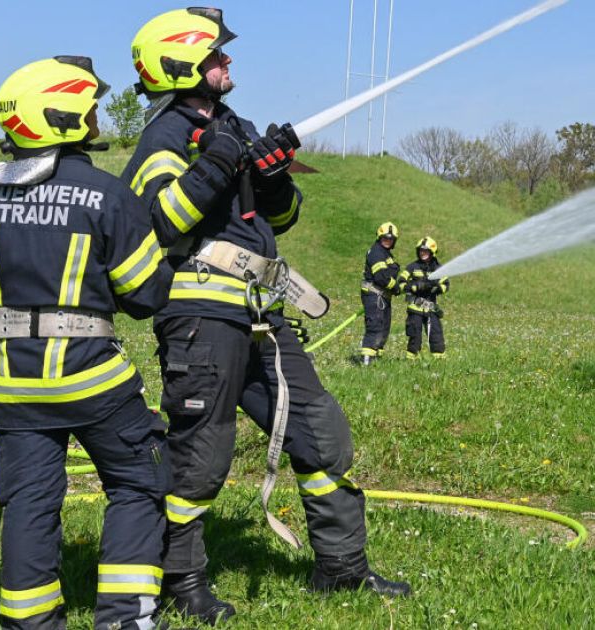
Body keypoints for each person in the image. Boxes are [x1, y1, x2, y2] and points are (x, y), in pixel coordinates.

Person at [121, 8, 410, 625]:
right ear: (181, 65)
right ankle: (183, 582)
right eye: (216, 56)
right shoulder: (163, 137)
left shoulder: (234, 124)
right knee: (201, 455)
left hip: (261, 314)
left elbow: (277, 221)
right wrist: (219, 161)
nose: (229, 62)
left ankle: (341, 569)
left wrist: (274, 180)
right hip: (200, 316)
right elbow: (160, 223)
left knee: (321, 431)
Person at [0, 57, 174, 630]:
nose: (93, 116)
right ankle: (124, 617)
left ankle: (30, 622)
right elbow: (145, 294)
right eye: (86, 107)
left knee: (30, 501)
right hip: (95, 383)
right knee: (139, 479)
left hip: (16, 388)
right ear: (62, 115)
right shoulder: (106, 194)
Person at [359, 222, 402, 365]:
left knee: (384, 327)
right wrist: (396, 287)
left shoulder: (386, 254)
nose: (387, 241)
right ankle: (366, 361)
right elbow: (381, 277)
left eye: (390, 239)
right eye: (385, 238)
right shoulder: (377, 252)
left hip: (383, 297)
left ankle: (377, 359)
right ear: (379, 237)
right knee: (375, 326)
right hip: (374, 295)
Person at [401, 237, 449, 359]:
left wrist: (437, 288)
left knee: (436, 335)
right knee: (415, 336)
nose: (423, 253)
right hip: (415, 307)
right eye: (421, 250)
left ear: (432, 252)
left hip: (431, 309)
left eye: (426, 251)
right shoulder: (412, 267)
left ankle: (439, 360)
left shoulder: (439, 268)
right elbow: (401, 283)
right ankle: (411, 360)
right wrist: (415, 286)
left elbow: (446, 285)